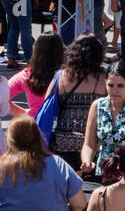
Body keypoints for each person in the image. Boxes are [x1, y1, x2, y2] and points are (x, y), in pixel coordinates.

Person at [48, 35, 112, 170]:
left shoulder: (61, 76)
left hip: (62, 140)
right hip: (92, 141)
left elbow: (47, 102)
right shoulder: (103, 78)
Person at [82, 64, 125, 178]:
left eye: (120, 86)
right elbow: (89, 144)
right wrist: (87, 161)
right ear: (105, 83)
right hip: (103, 173)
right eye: (110, 85)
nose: (115, 90)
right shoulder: (97, 106)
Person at [8, 34, 63, 123]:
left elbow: (1, 96)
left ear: (36, 50)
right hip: (60, 125)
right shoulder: (67, 75)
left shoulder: (27, 75)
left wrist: (24, 113)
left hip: (35, 125)